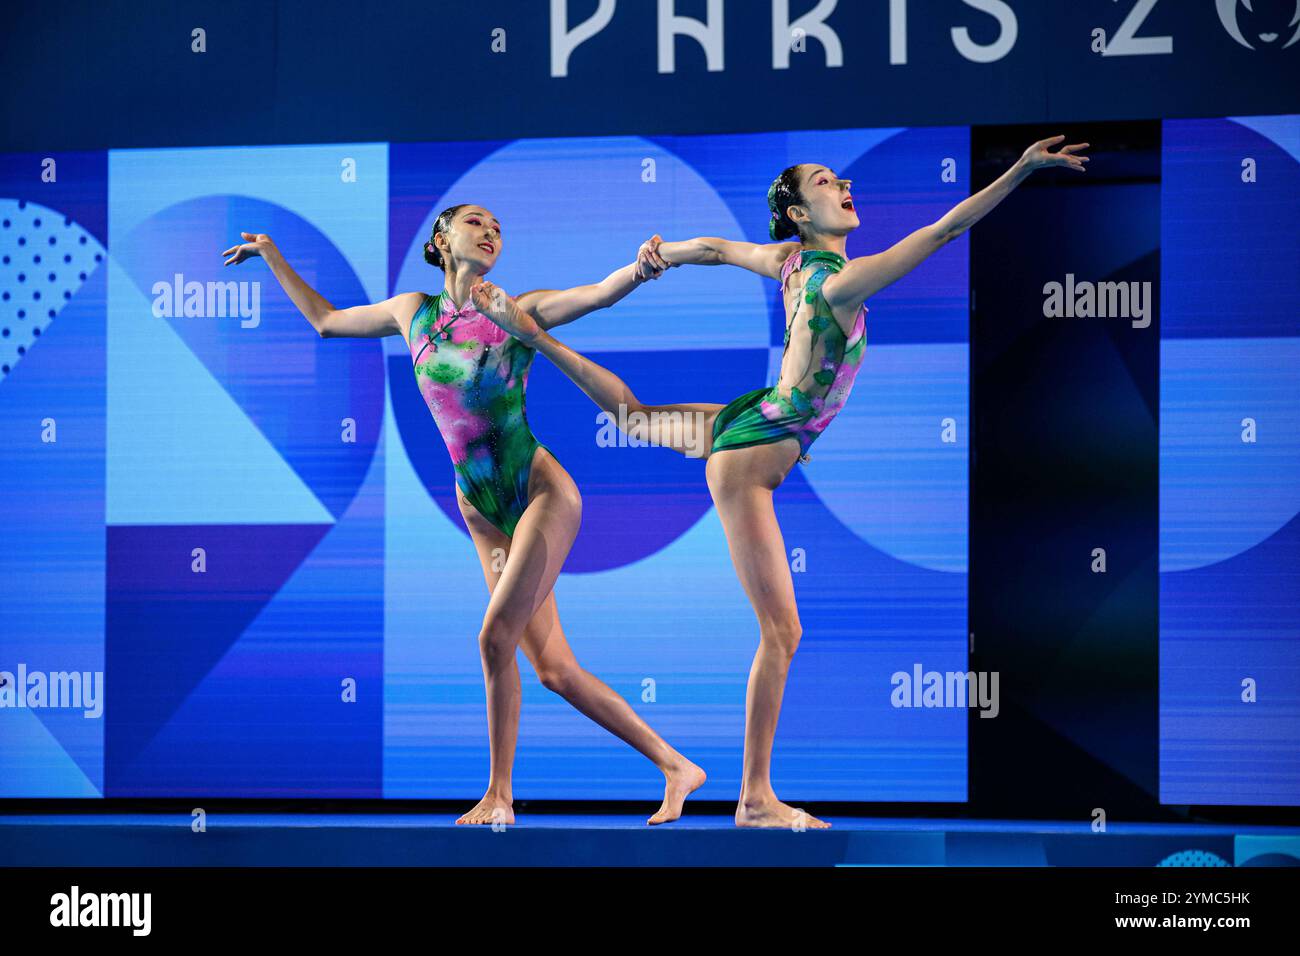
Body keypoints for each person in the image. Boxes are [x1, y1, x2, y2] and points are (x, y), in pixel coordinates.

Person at [465, 135, 1089, 827]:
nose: (843, 185)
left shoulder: (790, 263)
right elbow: (945, 228)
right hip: (754, 451)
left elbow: (715, 250)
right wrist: (1022, 170)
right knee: (782, 632)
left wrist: (660, 255)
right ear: (798, 211)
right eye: (824, 180)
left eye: (840, 178)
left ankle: (539, 341)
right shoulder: (838, 280)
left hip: (753, 423)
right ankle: (756, 797)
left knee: (638, 419)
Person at [222, 205, 706, 824]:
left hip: (540, 494)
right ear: (442, 240)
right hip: (482, 510)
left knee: (493, 638)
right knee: (554, 669)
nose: (491, 231)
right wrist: (272, 255)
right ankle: (674, 765)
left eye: (500, 227)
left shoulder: (514, 309)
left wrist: (638, 271)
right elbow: (325, 321)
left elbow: (596, 295)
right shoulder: (411, 312)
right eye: (476, 222)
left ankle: (499, 797)